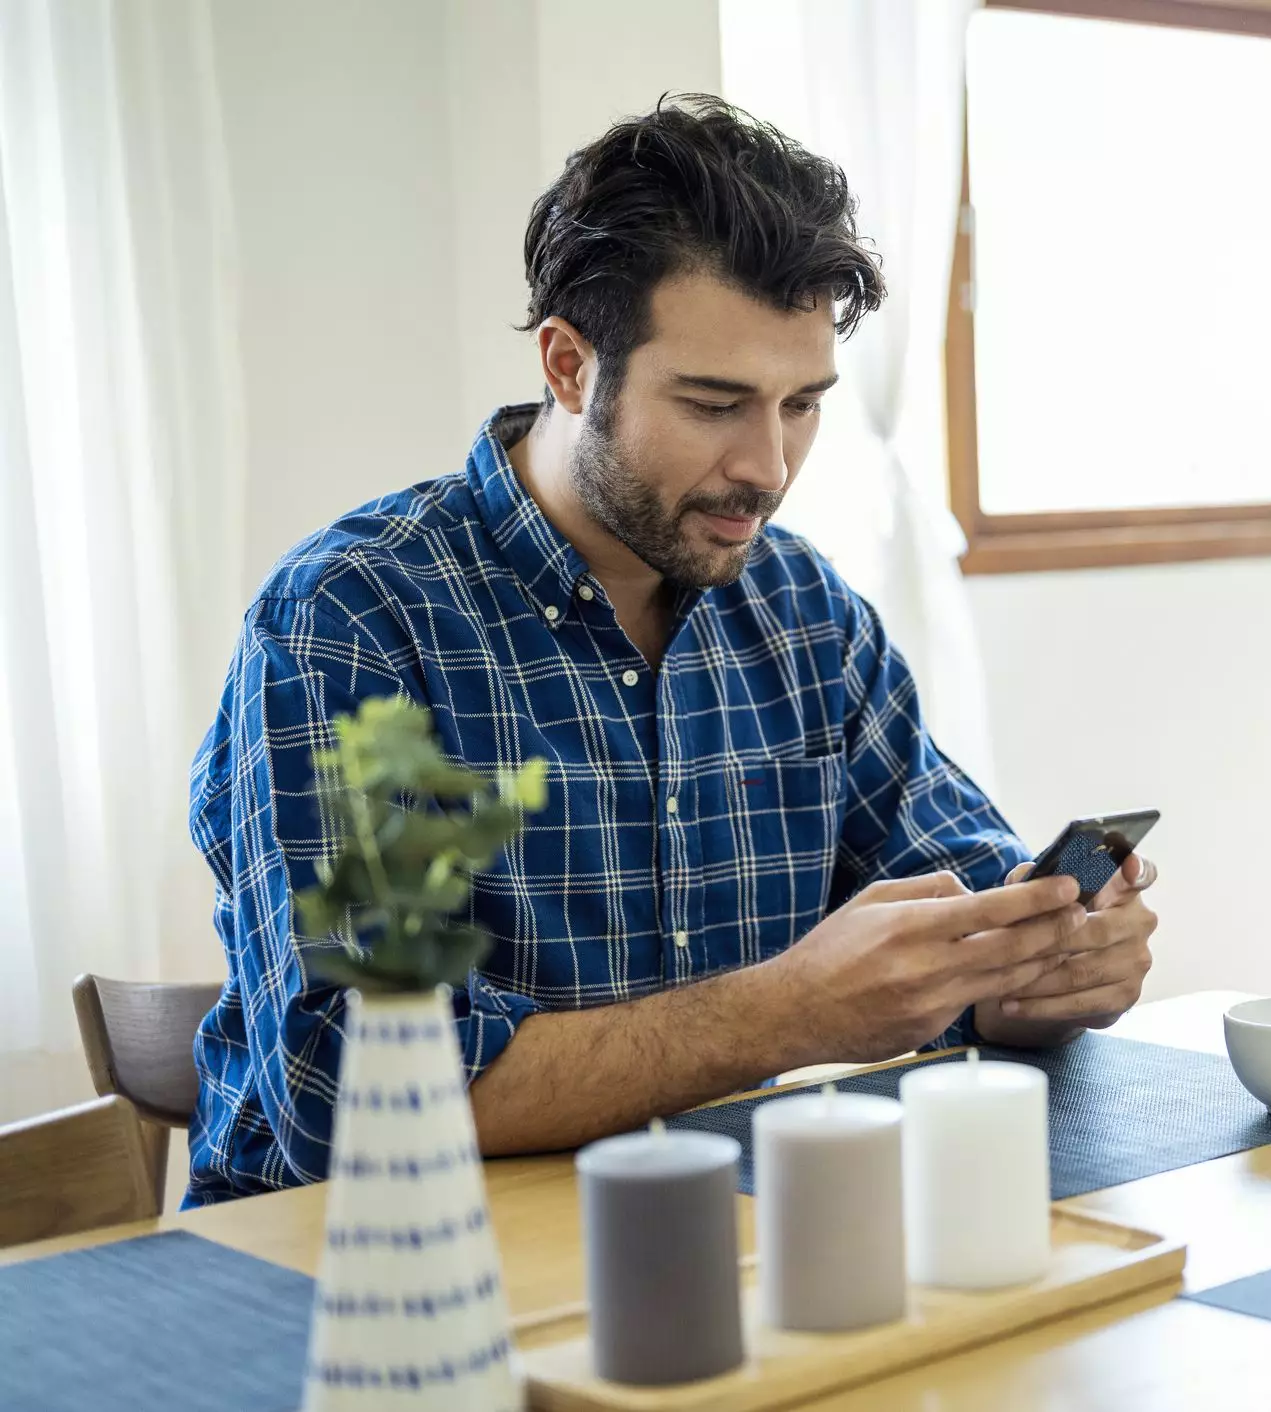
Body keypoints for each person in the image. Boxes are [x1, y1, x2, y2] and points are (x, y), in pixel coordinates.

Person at [184, 95, 1158, 1206]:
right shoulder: (353, 619)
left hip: (706, 1233)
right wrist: (785, 1012)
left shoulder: (802, 611)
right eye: (713, 403)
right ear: (567, 364)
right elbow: (351, 1087)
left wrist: (1039, 963)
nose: (768, 463)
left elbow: (961, 900)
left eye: (802, 403)